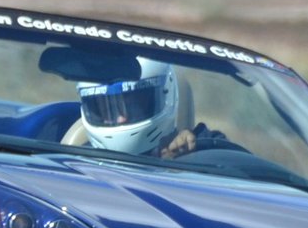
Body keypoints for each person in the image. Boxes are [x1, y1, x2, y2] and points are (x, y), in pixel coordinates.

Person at [75, 57, 235, 158]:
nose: (121, 118)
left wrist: (191, 156)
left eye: (133, 104)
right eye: (106, 107)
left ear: (167, 93)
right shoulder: (79, 161)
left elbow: (244, 171)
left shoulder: (202, 144)